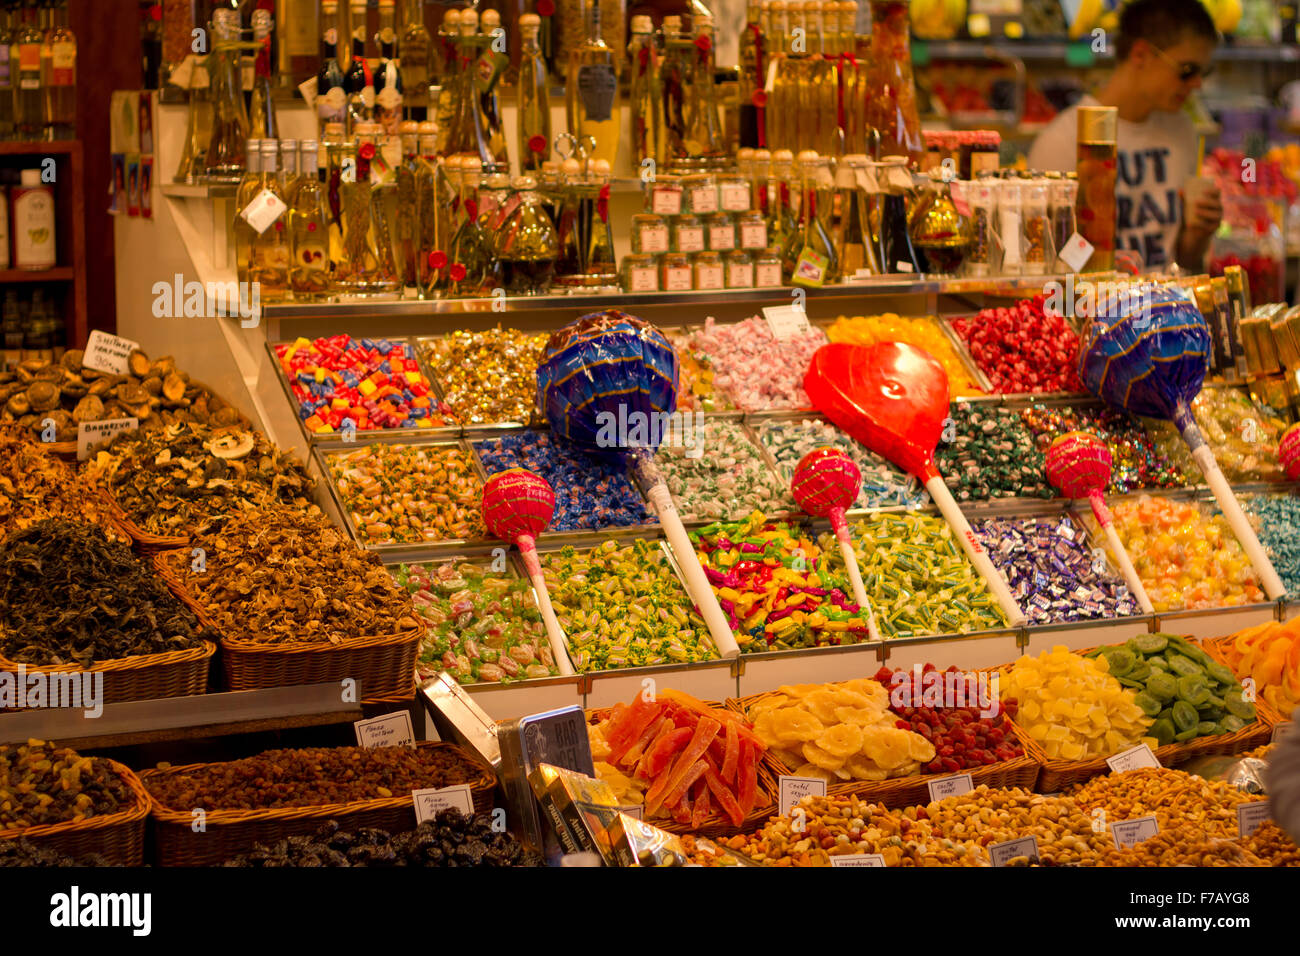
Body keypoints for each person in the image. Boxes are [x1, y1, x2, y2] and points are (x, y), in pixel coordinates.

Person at [1027, 0, 1223, 270]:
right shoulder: (1062, 140)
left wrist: (1198, 233)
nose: (1197, 83)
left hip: (1168, 306)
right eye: (1187, 71)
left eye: (1204, 72)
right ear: (1140, 54)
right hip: (1092, 308)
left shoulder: (1182, 130)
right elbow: (1044, 260)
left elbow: (1183, 258)